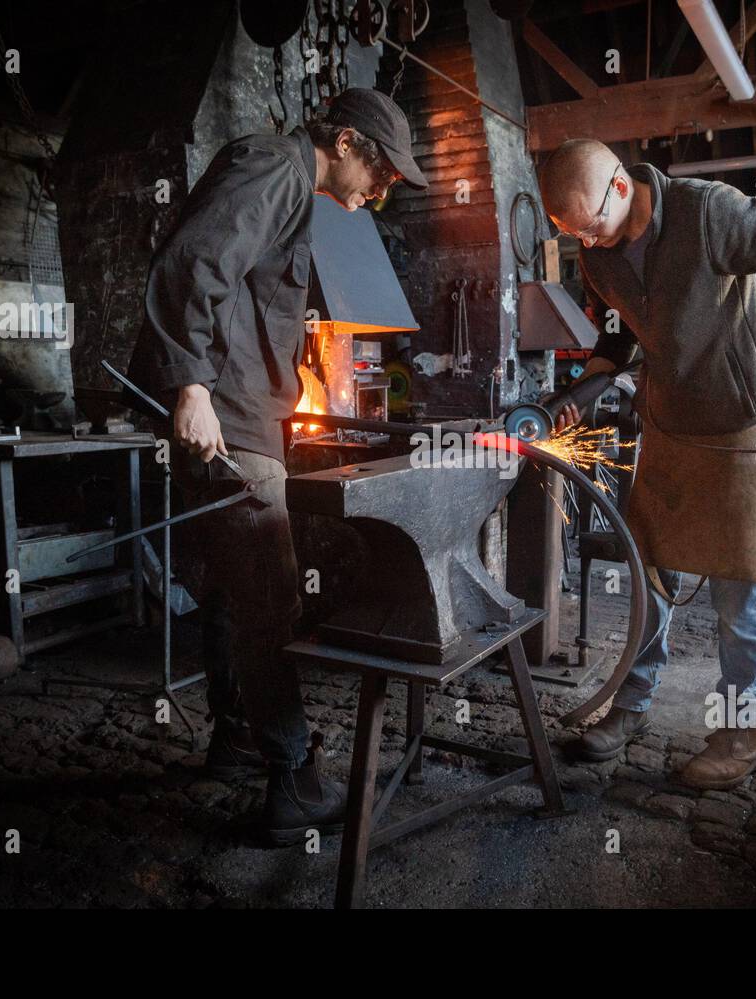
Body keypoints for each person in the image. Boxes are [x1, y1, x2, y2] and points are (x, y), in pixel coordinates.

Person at [127, 88, 427, 842]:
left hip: (244, 416)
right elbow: (196, 260)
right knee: (270, 599)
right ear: (348, 140)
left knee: (233, 590)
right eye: (383, 170)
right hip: (227, 421)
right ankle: (293, 777)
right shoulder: (275, 167)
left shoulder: (294, 183)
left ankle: (234, 737)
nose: (384, 189)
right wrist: (190, 385)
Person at [538, 139, 756, 790]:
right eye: (572, 233)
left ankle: (742, 728)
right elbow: (625, 327)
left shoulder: (709, 214)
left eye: (591, 226)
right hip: (667, 430)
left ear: (623, 189)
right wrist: (585, 387)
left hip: (738, 435)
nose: (588, 244)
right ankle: (629, 706)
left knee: (735, 597)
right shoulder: (596, 246)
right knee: (647, 579)